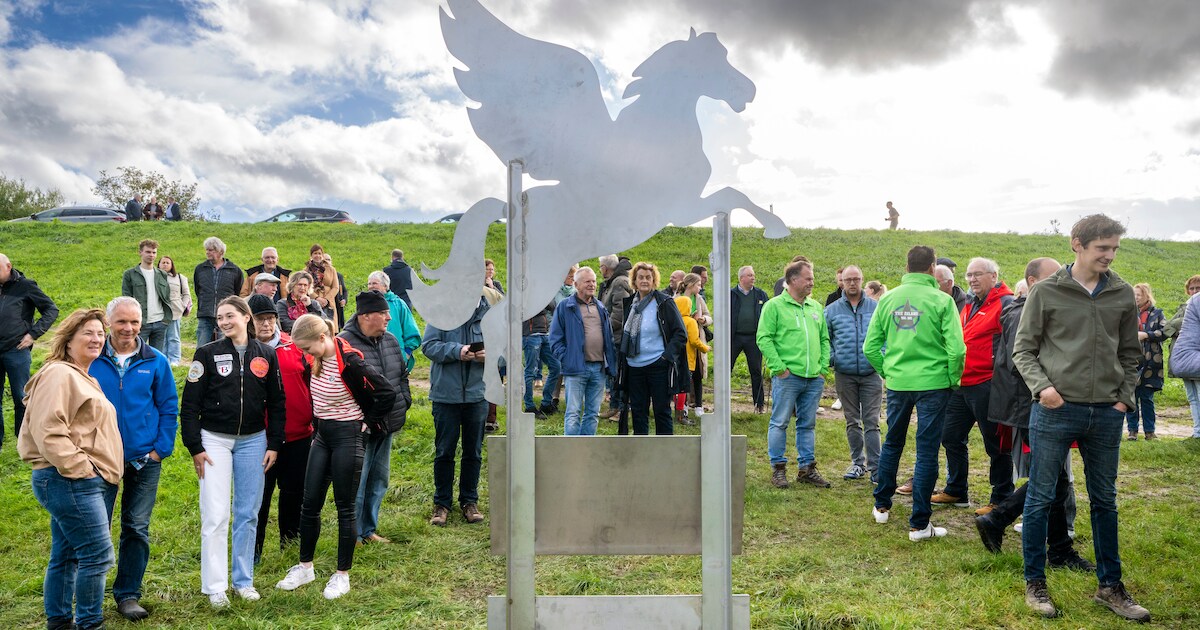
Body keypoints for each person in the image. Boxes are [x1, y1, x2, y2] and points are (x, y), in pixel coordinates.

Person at [1013, 214, 1149, 621]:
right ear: (1077, 244)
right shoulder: (1046, 292)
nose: (1109, 255)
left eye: (1114, 249)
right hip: (1055, 411)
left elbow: (1130, 353)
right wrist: (1045, 389)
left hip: (1107, 413)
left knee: (1104, 501)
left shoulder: (1122, 293)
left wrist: (1123, 400)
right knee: (1040, 498)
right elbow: (1024, 351)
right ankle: (1035, 583)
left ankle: (1111, 587)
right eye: (1101, 248)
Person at [975, 258, 1093, 572]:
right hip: (1031, 407)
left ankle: (1058, 549)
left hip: (1035, 405)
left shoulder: (1031, 308)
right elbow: (1021, 363)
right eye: (1052, 277)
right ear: (1031, 280)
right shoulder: (1021, 311)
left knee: (1056, 479)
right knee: (1052, 478)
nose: (1060, 281)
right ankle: (1000, 519)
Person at [275, 314, 395, 600]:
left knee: (345, 506)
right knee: (310, 502)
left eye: (307, 348)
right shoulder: (314, 360)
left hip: (348, 435)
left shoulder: (351, 362)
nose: (305, 355)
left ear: (322, 338)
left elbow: (386, 393)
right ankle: (305, 567)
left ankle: (342, 575)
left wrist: (368, 423)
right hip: (322, 436)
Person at [180, 296, 285, 608]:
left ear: (245, 316)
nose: (224, 322)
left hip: (254, 441)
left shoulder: (266, 354)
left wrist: (274, 443)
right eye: (220, 318)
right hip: (214, 440)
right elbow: (189, 405)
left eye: (229, 316)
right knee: (215, 514)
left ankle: (243, 581)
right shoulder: (206, 353)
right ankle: (215, 586)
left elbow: (277, 403)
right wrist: (195, 446)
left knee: (248, 513)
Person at [19, 308, 120, 630]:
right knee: (97, 555)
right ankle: (90, 624)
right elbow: (49, 429)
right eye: (88, 333)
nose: (97, 339)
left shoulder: (80, 375)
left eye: (101, 334)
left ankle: (60, 623)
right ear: (69, 339)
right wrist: (81, 468)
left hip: (80, 479)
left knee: (66, 554)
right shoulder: (59, 374)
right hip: (69, 479)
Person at [864, 245, 965, 541]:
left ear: (907, 266)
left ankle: (881, 505)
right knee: (927, 451)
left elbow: (870, 347)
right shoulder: (942, 301)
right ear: (932, 267)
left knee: (893, 442)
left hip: (898, 383)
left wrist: (889, 371)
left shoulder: (888, 299)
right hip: (934, 384)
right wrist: (952, 378)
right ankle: (919, 524)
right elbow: (957, 349)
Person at [89, 297, 178, 621]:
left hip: (144, 460)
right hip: (100, 460)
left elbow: (169, 407)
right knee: (97, 529)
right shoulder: (91, 359)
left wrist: (160, 450)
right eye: (121, 322)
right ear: (109, 323)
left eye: (134, 322)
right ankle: (91, 596)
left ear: (142, 323)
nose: (128, 328)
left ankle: (127, 594)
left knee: (136, 528)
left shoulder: (155, 360)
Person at [934, 257, 1015, 514]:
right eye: (969, 275)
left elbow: (1011, 347)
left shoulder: (1005, 303)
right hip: (962, 383)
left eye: (978, 274)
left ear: (994, 276)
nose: (972, 280)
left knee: (996, 444)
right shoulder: (970, 303)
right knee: (950, 436)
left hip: (988, 385)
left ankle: (1001, 498)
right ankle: (957, 490)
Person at [339, 290, 413, 545]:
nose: (389, 318)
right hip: (361, 427)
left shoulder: (391, 340)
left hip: (388, 423)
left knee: (379, 479)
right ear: (365, 316)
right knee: (357, 482)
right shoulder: (344, 343)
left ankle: (368, 529)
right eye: (383, 313)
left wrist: (405, 400)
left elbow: (402, 376)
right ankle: (353, 533)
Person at [248, 294, 314, 566]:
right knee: (259, 497)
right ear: (249, 322)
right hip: (260, 439)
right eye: (260, 319)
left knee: (294, 493)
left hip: (299, 434)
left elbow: (312, 381)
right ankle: (254, 549)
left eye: (270, 318)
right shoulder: (245, 351)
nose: (266, 324)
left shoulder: (294, 346)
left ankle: (290, 542)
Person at [757, 258, 832, 489]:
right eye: (808, 278)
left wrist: (822, 369)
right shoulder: (774, 306)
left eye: (812, 278)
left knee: (807, 424)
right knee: (779, 422)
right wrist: (780, 369)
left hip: (813, 378)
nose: (812, 282)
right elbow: (764, 338)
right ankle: (778, 469)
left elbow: (824, 339)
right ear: (792, 280)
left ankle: (807, 468)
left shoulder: (816, 307)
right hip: (788, 378)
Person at [421, 292, 490, 526]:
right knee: (444, 451)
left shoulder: (489, 316)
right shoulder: (441, 312)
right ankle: (441, 504)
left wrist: (489, 357)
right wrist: (457, 351)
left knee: (474, 452)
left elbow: (506, 354)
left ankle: (470, 501)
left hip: (477, 396)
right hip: (445, 396)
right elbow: (428, 346)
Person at [824, 265, 881, 481]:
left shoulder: (876, 308)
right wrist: (833, 358)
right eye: (848, 279)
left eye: (856, 279)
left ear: (862, 280)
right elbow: (825, 338)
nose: (852, 283)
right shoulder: (831, 310)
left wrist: (880, 359)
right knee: (852, 421)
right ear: (842, 282)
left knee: (872, 421)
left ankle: (876, 469)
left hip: (871, 374)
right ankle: (858, 464)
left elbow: (886, 336)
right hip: (844, 374)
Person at [618, 262, 687, 436]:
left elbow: (680, 333)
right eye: (640, 277)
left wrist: (666, 357)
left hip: (658, 366)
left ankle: (664, 455)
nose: (644, 280)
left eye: (648, 277)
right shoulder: (630, 304)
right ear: (634, 280)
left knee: (661, 411)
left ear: (654, 280)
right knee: (639, 413)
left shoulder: (664, 302)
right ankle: (642, 454)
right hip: (634, 367)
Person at [0, 252, 59, 448]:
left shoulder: (25, 286)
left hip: (16, 350)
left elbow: (51, 309)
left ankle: (23, 439)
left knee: (21, 397)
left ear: (8, 267)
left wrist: (33, 334)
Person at [550, 267, 618, 436]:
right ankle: (572, 456)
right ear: (576, 284)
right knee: (573, 413)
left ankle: (586, 453)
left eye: (594, 281)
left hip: (598, 369)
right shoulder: (565, 306)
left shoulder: (600, 307)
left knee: (592, 414)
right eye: (587, 281)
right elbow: (555, 338)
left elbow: (608, 337)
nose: (592, 284)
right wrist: (566, 358)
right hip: (576, 368)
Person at [1126, 283, 1165, 441]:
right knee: (1131, 397)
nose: (1135, 298)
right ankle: (1132, 431)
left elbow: (1164, 332)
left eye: (1139, 295)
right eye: (1134, 295)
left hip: (1151, 362)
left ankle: (1150, 431)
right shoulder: (1128, 313)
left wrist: (1146, 335)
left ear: (1147, 296)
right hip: (1132, 360)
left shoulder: (1157, 313)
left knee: (1147, 398)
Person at [121, 239, 173, 353]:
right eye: (148, 252)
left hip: (160, 322)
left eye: (154, 252)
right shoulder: (130, 274)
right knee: (136, 354)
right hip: (141, 323)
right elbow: (126, 299)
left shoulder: (162, 274)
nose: (151, 255)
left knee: (156, 357)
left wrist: (166, 320)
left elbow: (166, 296)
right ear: (140, 252)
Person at [730, 265, 769, 414]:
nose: (753, 278)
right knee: (727, 369)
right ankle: (723, 402)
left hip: (754, 337)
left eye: (753, 275)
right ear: (741, 278)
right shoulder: (730, 294)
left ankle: (759, 405)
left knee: (756, 371)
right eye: (750, 275)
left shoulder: (760, 294)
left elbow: (768, 314)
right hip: (734, 337)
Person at [193, 237, 245, 347]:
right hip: (205, 314)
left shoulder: (234, 270)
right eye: (207, 250)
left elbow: (237, 292)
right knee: (202, 346)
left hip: (226, 315)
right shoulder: (200, 269)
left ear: (220, 251)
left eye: (211, 250)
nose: (208, 252)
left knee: (226, 346)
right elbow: (198, 290)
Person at [366, 271, 422, 371]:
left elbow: (412, 333)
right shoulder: (365, 305)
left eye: (374, 283)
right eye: (369, 283)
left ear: (385, 285)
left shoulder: (398, 304)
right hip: (370, 358)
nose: (371, 286)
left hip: (395, 358)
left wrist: (406, 354)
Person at [599, 255, 633, 419]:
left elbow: (619, 313)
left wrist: (605, 331)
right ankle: (615, 407)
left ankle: (619, 409)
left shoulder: (618, 282)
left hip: (617, 337)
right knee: (614, 372)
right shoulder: (616, 281)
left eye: (600, 267)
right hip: (614, 336)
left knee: (617, 372)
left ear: (605, 267)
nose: (600, 270)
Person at [676, 273, 712, 414]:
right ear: (691, 285)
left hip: (697, 340)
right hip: (682, 342)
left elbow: (709, 317)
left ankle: (698, 405)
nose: (700, 286)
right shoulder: (677, 298)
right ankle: (682, 405)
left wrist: (702, 319)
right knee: (683, 375)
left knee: (697, 373)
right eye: (698, 284)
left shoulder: (699, 299)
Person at [672, 295, 710, 426]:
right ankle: (681, 414)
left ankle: (677, 411)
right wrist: (705, 348)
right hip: (688, 359)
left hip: (674, 359)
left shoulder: (674, 320)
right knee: (684, 388)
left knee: (675, 387)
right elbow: (694, 340)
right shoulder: (690, 322)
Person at [1168, 287, 1200, 438]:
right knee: (1193, 398)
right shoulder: (1187, 305)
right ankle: (1197, 432)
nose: (1194, 290)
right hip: (1187, 359)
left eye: (1198, 287)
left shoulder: (1192, 305)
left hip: (1194, 359)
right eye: (1191, 288)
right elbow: (1168, 326)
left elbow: (1174, 325)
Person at [521, 301, 559, 419]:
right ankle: (529, 407)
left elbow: (553, 306)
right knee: (530, 371)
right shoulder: (522, 288)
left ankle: (546, 403)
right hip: (530, 334)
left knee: (556, 367)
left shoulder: (542, 289)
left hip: (544, 333)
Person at [158, 255, 192, 365]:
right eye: (163, 262)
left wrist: (182, 306)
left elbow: (186, 294)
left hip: (175, 311)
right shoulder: (154, 277)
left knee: (173, 337)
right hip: (159, 312)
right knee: (161, 337)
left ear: (172, 265)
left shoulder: (180, 277)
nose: (165, 264)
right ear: (158, 264)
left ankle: (174, 360)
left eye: (168, 262)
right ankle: (163, 360)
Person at [305, 244, 341, 322]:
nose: (317, 255)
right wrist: (316, 298)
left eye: (319, 253)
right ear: (311, 255)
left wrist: (326, 299)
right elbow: (305, 287)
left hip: (329, 302)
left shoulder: (331, 269)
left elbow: (336, 287)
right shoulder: (306, 271)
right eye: (315, 253)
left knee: (330, 325)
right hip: (313, 301)